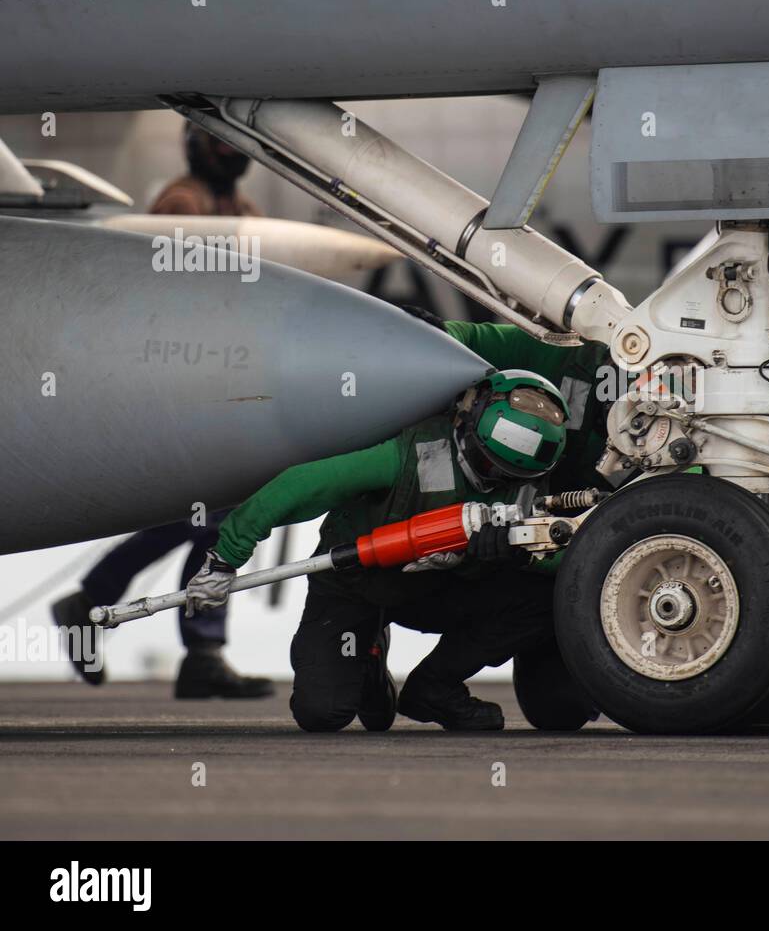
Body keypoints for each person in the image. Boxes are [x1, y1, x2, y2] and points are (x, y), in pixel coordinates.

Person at [183, 367, 599, 732]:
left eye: (506, 475)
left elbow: (574, 561)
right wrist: (226, 558)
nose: (491, 482)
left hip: (447, 588)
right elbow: (297, 487)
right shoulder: (405, 456)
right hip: (357, 582)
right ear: (465, 425)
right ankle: (368, 652)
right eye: (487, 465)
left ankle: (434, 687)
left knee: (545, 599)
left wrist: (516, 553)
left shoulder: (534, 490)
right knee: (321, 713)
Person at [51, 121, 271, 698]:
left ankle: (106, 605)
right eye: (223, 143)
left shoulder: (237, 206)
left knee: (204, 519)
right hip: (188, 384)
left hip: (222, 382)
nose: (231, 155)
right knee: (211, 518)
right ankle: (191, 645)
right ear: (201, 146)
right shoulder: (183, 202)